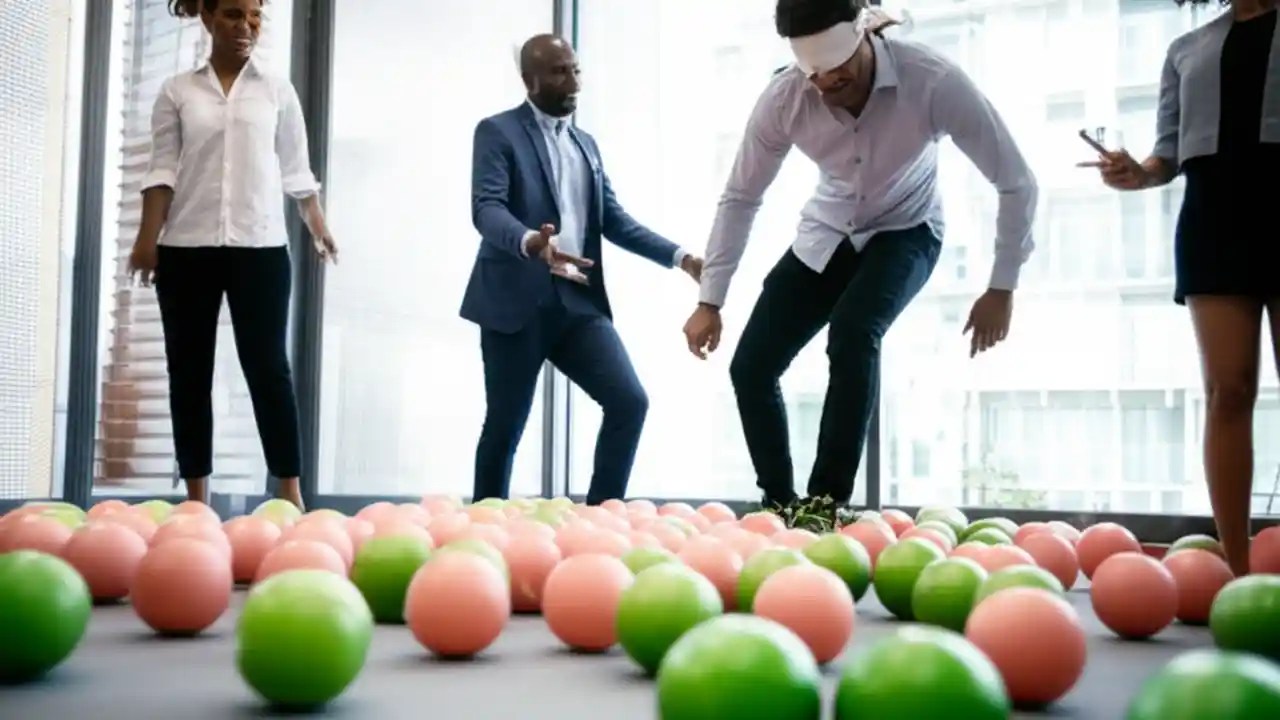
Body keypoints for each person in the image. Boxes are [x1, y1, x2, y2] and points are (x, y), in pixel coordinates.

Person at [681, 0, 1038, 526]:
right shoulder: (785, 98)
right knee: (751, 365)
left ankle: (825, 504)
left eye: (839, 67)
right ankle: (779, 506)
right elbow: (740, 197)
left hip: (907, 230)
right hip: (827, 232)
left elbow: (1016, 180)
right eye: (815, 73)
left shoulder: (932, 80)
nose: (828, 84)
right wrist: (710, 299)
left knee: (852, 331)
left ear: (863, 35)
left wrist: (1001, 286)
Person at [461, 34, 703, 505]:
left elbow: (613, 220)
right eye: (558, 72)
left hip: (576, 301)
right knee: (506, 423)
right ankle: (484, 530)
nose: (572, 81)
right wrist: (532, 242)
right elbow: (486, 209)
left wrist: (681, 257)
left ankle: (601, 520)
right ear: (529, 79)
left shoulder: (585, 144)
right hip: (516, 302)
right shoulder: (497, 131)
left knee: (629, 402)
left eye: (575, 69)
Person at [1084, 0, 1277, 576]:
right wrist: (1136, 172)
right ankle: (1238, 573)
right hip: (1214, 219)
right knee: (1228, 390)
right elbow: (1166, 153)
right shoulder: (1186, 49)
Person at [129, 0, 337, 509]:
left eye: (253, 16)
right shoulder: (177, 90)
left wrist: (318, 226)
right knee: (189, 372)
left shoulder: (276, 89)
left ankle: (290, 493)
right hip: (186, 249)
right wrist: (146, 238)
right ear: (207, 17)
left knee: (268, 368)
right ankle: (197, 499)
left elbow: (296, 168)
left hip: (260, 248)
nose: (244, 27)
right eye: (231, 15)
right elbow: (162, 169)